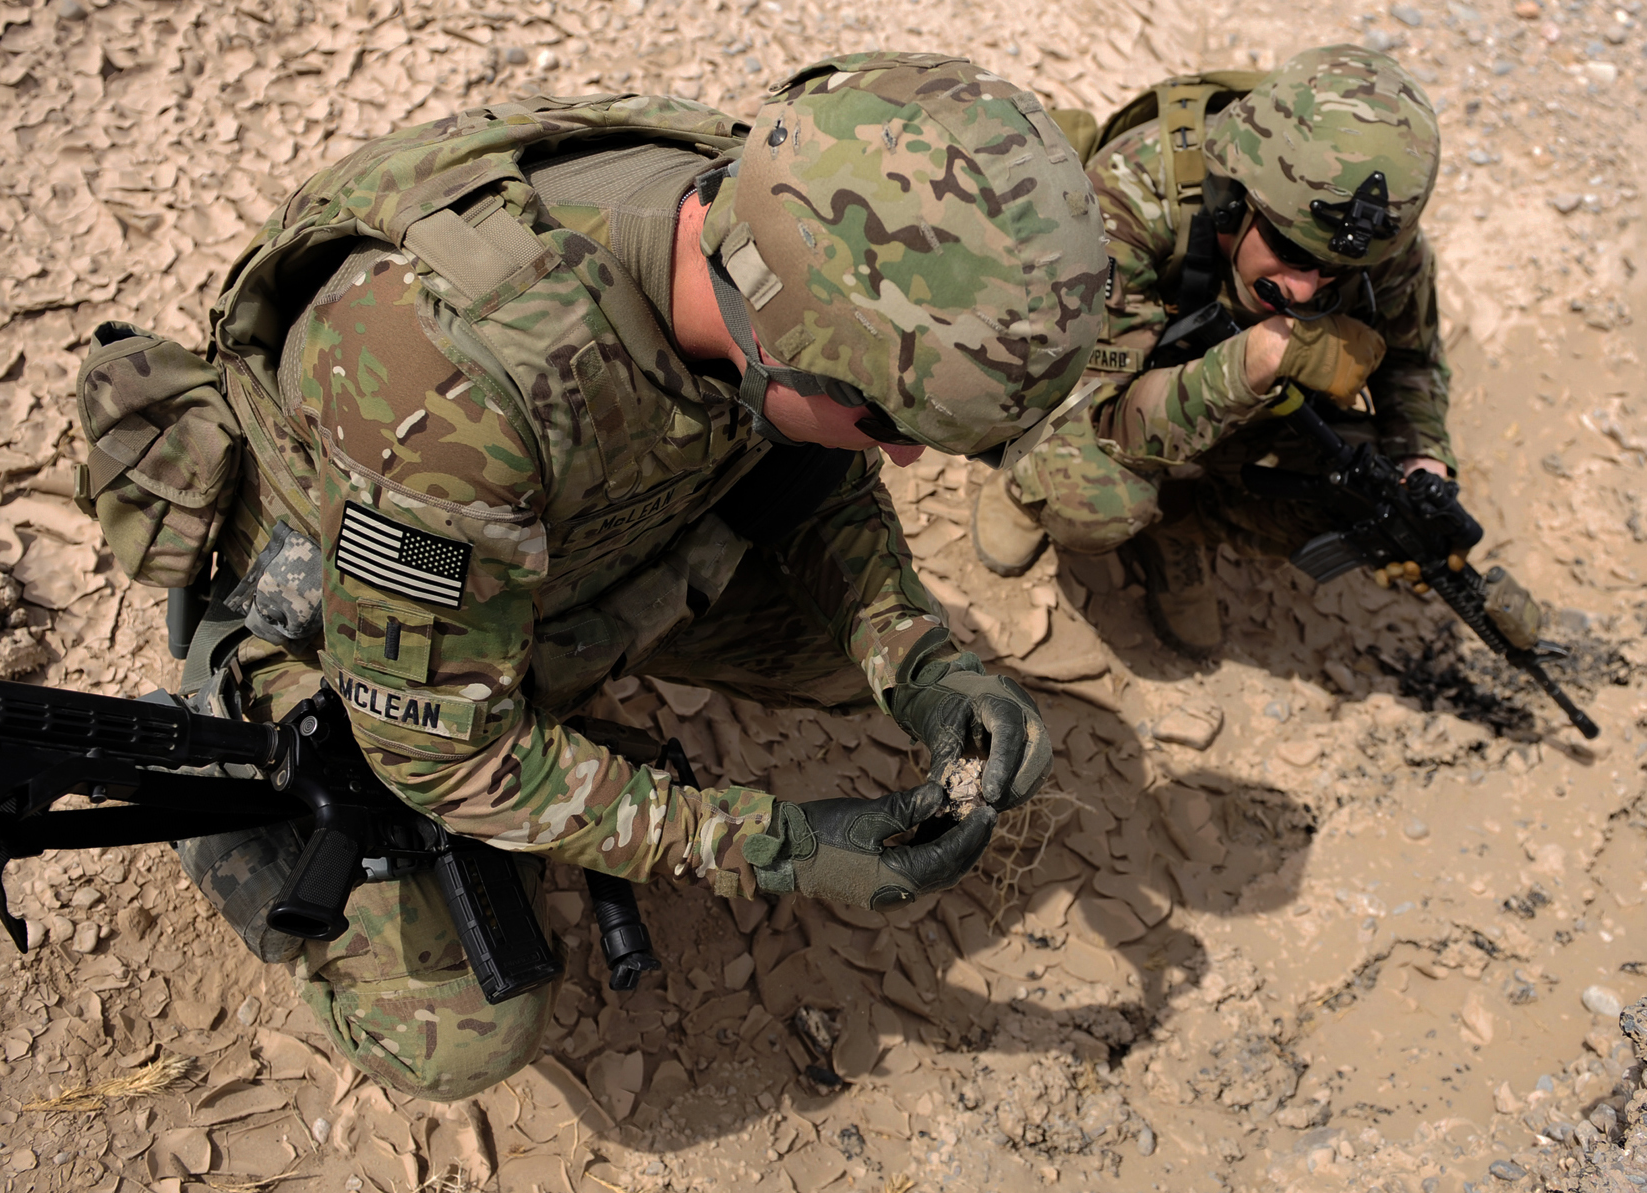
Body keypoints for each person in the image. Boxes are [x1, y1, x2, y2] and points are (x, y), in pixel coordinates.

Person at [123, 52, 1110, 1101]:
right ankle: (228, 726)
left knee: (840, 659)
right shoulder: (453, 385)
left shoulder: (778, 221)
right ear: (780, 339)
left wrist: (919, 659)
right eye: (892, 423)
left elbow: (810, 478)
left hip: (565, 536)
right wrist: (771, 845)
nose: (905, 458)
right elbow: (439, 753)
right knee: (466, 1034)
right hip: (358, 613)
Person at [969, 45, 1449, 657]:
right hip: (1105, 374)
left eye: (1334, 270)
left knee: (1370, 499)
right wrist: (1261, 357)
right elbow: (1104, 414)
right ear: (1239, 197)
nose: (1304, 289)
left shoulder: (1380, 243)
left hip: (1226, 395)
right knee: (1089, 498)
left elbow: (1415, 360)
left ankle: (1180, 526)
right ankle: (1021, 483)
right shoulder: (1133, 195)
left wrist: (1422, 457)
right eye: (1291, 251)